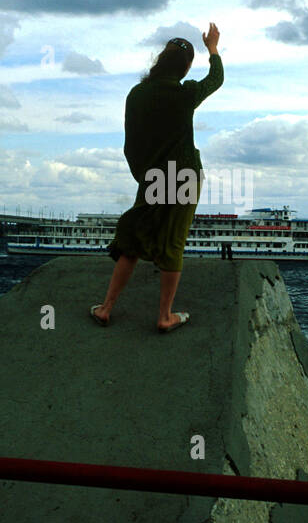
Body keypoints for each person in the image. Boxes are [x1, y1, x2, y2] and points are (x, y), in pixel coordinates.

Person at [90, 23, 224, 332]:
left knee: (133, 239)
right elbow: (216, 79)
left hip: (152, 176)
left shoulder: (136, 94)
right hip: (184, 175)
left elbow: (130, 143)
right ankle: (165, 316)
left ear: (159, 60)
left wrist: (144, 174)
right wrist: (213, 49)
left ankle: (106, 308)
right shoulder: (185, 93)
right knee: (173, 243)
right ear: (185, 67)